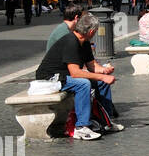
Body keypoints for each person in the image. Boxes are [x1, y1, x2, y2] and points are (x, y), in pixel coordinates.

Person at [35, 12, 117, 140]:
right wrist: (101, 76)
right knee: (83, 84)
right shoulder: (71, 42)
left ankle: (106, 121)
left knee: (101, 83)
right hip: (50, 78)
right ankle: (81, 127)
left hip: (63, 75)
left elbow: (92, 66)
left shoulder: (84, 42)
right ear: (91, 31)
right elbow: (75, 73)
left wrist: (104, 71)